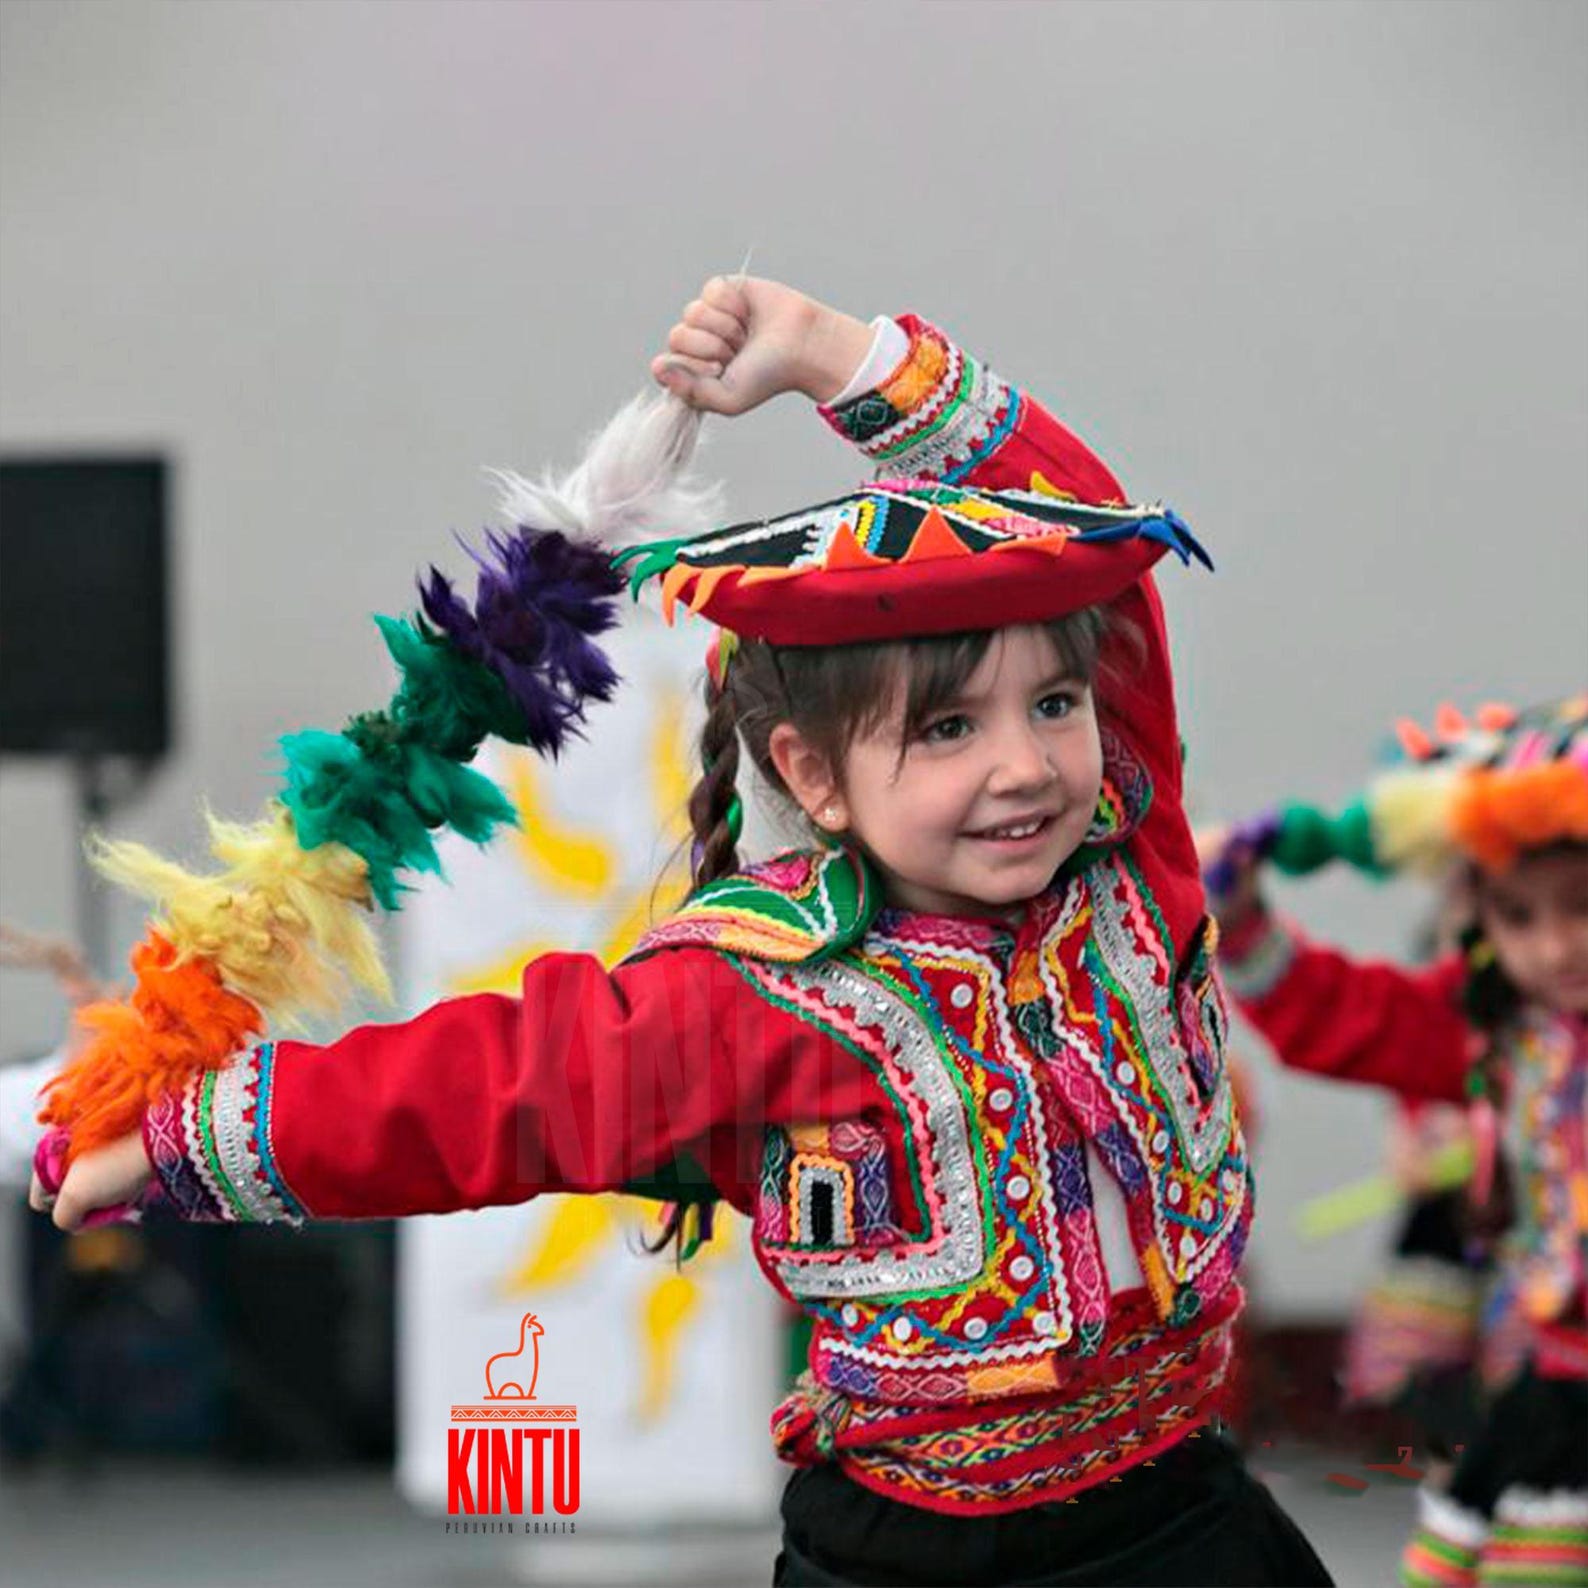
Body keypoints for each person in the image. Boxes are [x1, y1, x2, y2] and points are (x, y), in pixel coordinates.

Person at [30, 277, 1331, 1585]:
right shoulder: (775, 988)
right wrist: (165, 1137)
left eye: (1055, 703)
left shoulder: (1132, 860)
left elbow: (1077, 521)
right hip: (918, 1565)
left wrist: (840, 355)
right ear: (812, 776)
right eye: (947, 728)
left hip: (1183, 1529)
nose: (1026, 765)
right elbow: (492, 1089)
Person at [1203, 697, 1588, 1587]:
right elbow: (1336, 1016)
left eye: (1581, 908)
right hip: (1553, 1378)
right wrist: (1243, 911)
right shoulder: (1496, 1028)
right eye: (1520, 918)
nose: (1558, 946)